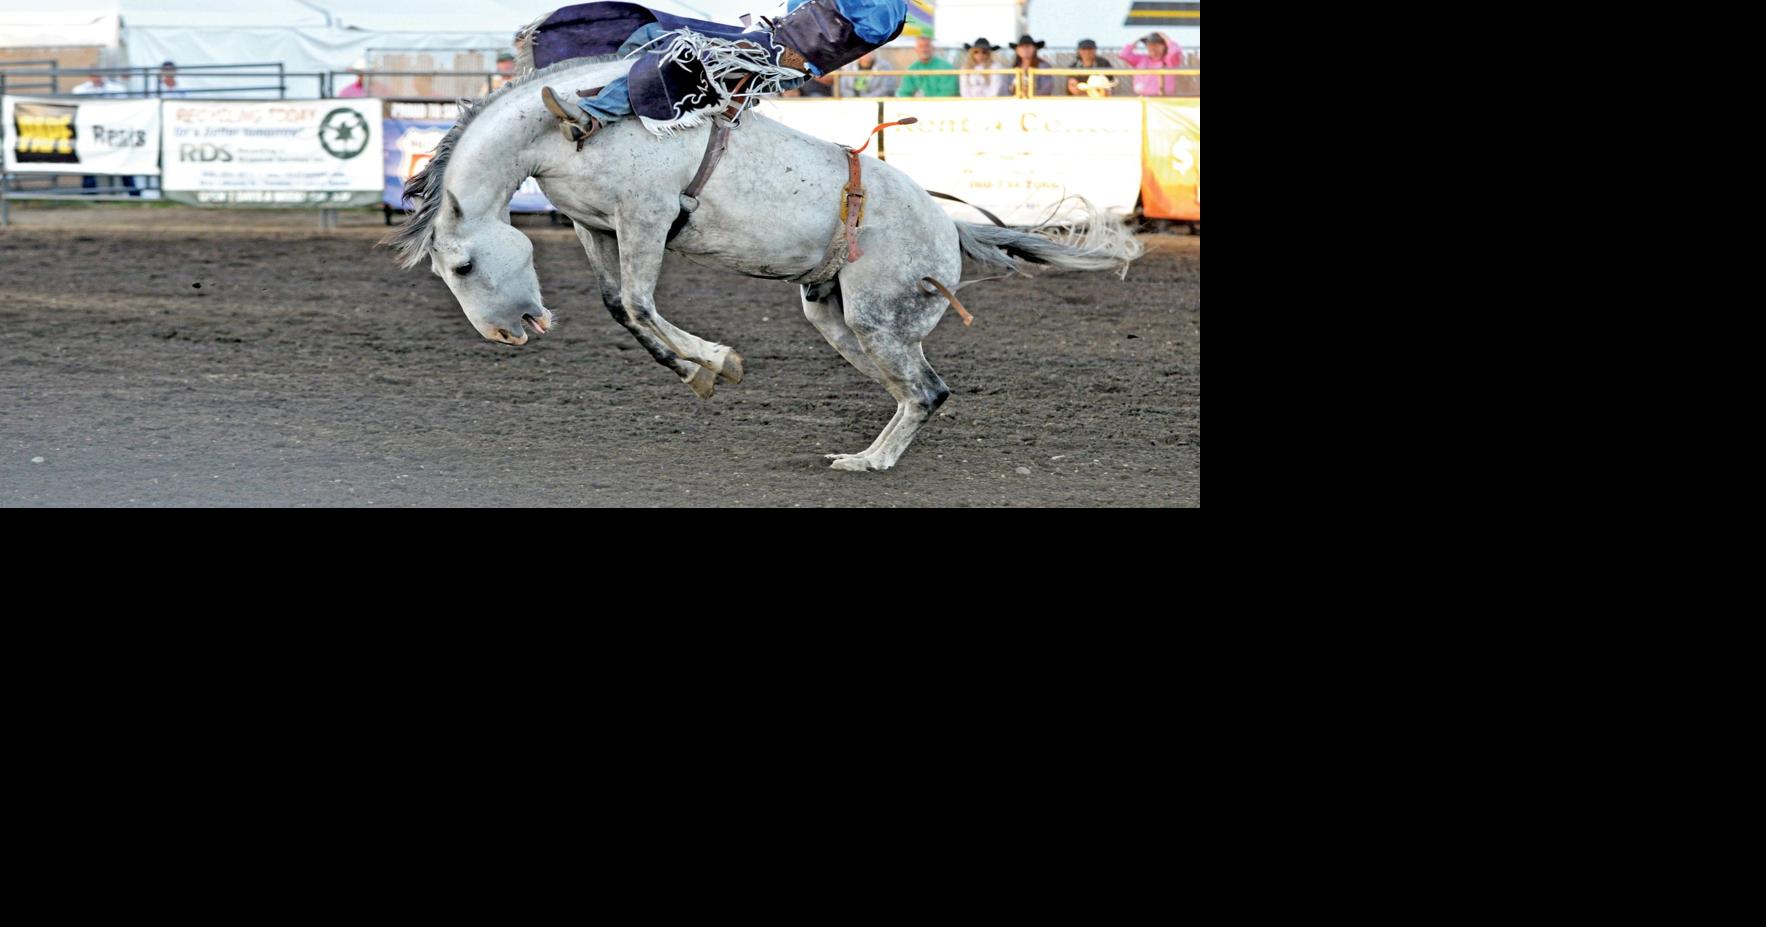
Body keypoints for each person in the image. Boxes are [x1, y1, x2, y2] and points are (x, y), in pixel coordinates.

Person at [542, 0, 908, 142]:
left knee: (685, 55)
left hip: (787, 59)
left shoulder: (890, 9)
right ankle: (616, 87)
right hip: (768, 40)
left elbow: (865, 30)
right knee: (657, 31)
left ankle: (593, 117)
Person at [1120, 31, 1183, 96]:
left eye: (1156, 45)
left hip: (1163, 98)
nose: (1152, 47)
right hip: (1142, 98)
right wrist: (1138, 40)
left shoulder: (1169, 60)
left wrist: (1166, 37)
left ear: (1164, 46)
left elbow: (1175, 51)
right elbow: (1124, 54)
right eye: (1149, 45)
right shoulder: (1141, 59)